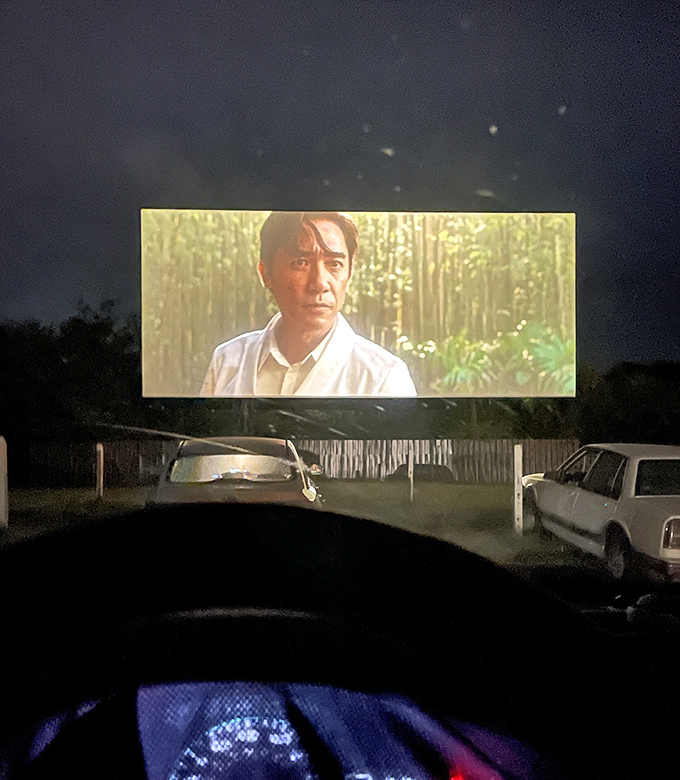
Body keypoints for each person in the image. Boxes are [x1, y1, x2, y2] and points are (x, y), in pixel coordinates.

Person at [200, 211, 417, 396]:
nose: (319, 284)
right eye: (300, 263)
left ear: (350, 274)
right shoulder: (228, 361)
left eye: (334, 264)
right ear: (265, 274)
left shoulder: (383, 378)